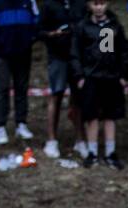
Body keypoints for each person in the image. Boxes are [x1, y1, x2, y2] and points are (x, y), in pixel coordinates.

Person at [71, 0, 128, 169]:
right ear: (89, 5)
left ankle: (111, 153)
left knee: (111, 115)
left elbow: (122, 51)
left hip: (111, 78)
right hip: (91, 77)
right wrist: (80, 76)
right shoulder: (83, 26)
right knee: (92, 116)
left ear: (107, 4)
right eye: (95, 4)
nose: (99, 7)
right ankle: (92, 152)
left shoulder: (114, 26)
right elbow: (75, 53)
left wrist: (123, 74)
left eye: (102, 3)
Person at [0, 0, 39, 146]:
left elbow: (37, 20)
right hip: (2, 54)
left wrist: (30, 39)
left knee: (21, 89)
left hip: (23, 53)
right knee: (2, 89)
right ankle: (1, 126)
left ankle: (21, 124)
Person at [39, 0, 82, 159]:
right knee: (56, 95)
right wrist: (52, 34)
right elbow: (39, 31)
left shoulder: (81, 4)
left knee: (79, 98)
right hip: (57, 56)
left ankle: (80, 139)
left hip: (78, 57)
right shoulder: (49, 5)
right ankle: (51, 140)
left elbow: (95, 30)